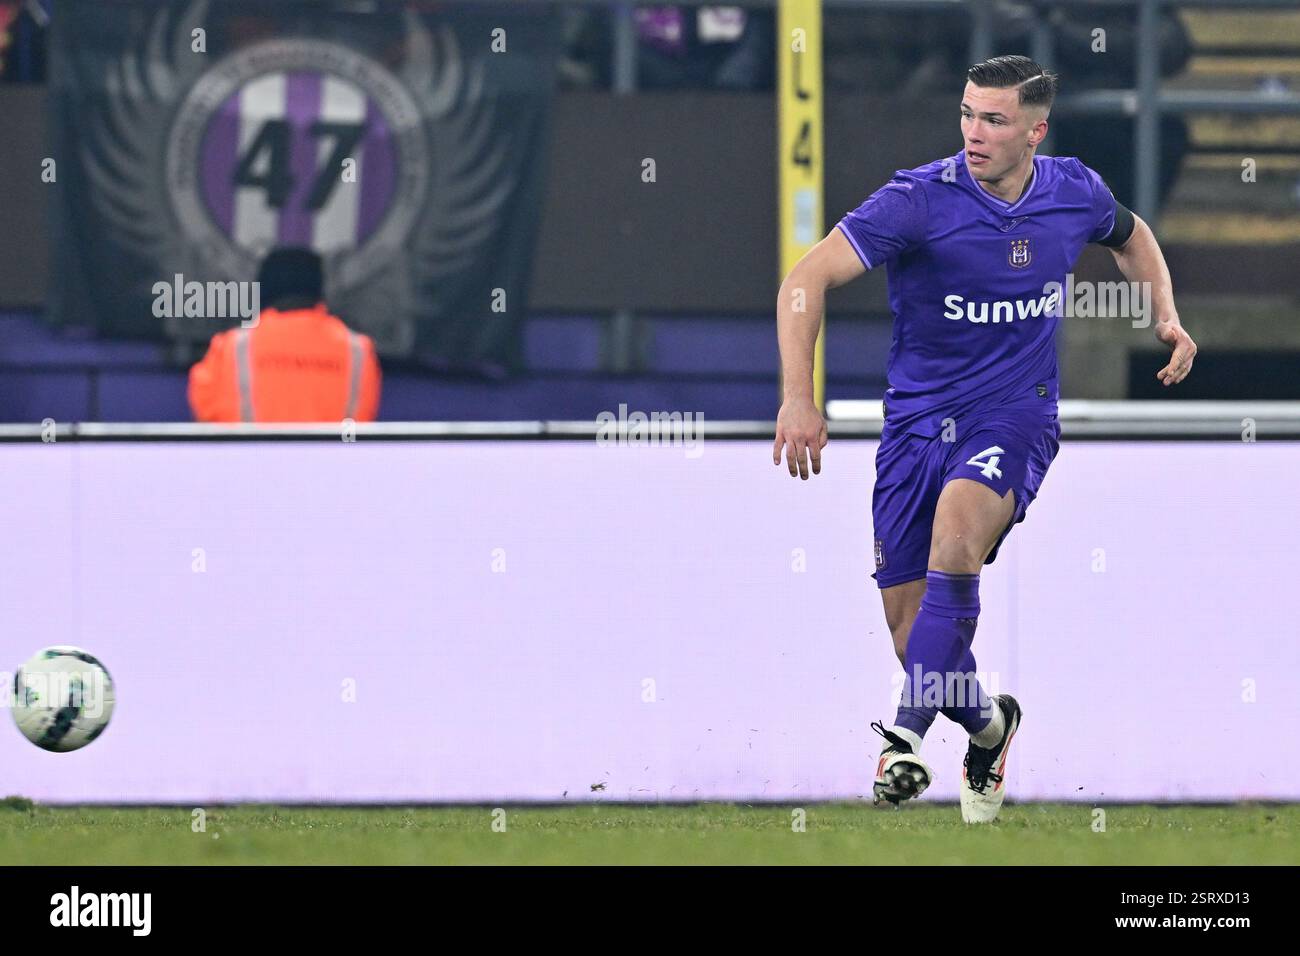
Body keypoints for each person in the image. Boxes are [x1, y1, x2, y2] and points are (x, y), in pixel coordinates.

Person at [772, 56, 1197, 823]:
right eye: (967, 114)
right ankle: (990, 726)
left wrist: (1162, 313)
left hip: (1014, 415)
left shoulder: (1074, 190)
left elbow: (1131, 237)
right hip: (913, 428)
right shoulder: (916, 200)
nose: (973, 133)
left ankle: (901, 739)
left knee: (956, 539)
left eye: (994, 120)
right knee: (912, 636)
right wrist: (799, 397)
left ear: (1036, 130)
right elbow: (803, 281)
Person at [188, 248, 381, 424]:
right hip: (333, 462)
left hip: (249, 461)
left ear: (263, 287)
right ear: (320, 286)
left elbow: (206, 413)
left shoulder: (232, 346)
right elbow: (364, 417)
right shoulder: (358, 350)